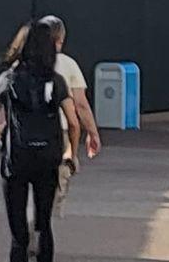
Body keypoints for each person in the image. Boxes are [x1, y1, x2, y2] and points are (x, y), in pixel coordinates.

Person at [0, 22, 80, 262]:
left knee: (19, 233)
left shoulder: (9, 78)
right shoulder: (56, 81)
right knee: (43, 225)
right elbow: (74, 123)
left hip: (17, 159)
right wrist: (71, 152)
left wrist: (1, 129)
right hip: (48, 156)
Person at [40, 16, 100, 226]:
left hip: (26, 132)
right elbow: (81, 105)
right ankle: (43, 232)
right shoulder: (67, 64)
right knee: (58, 183)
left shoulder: (21, 63)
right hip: (59, 133)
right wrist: (92, 133)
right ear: (61, 39)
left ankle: (28, 232)